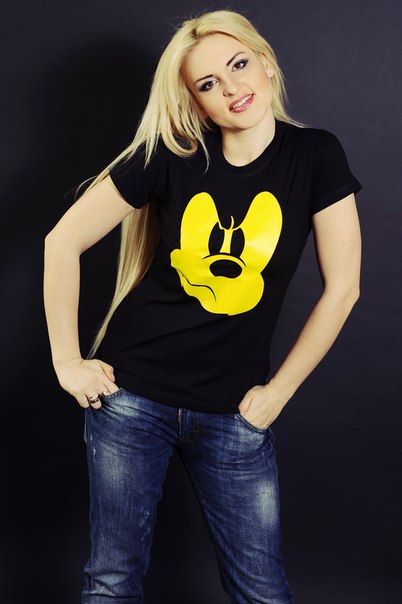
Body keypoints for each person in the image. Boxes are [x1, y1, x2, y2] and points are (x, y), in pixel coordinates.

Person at [43, 9, 362, 604]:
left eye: (239, 65)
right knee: (112, 580)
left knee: (262, 591)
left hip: (234, 413)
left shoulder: (316, 155)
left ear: (267, 63)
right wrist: (67, 361)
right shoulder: (172, 154)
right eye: (209, 83)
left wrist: (277, 394)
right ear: (197, 102)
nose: (232, 87)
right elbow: (61, 242)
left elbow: (343, 288)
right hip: (131, 399)